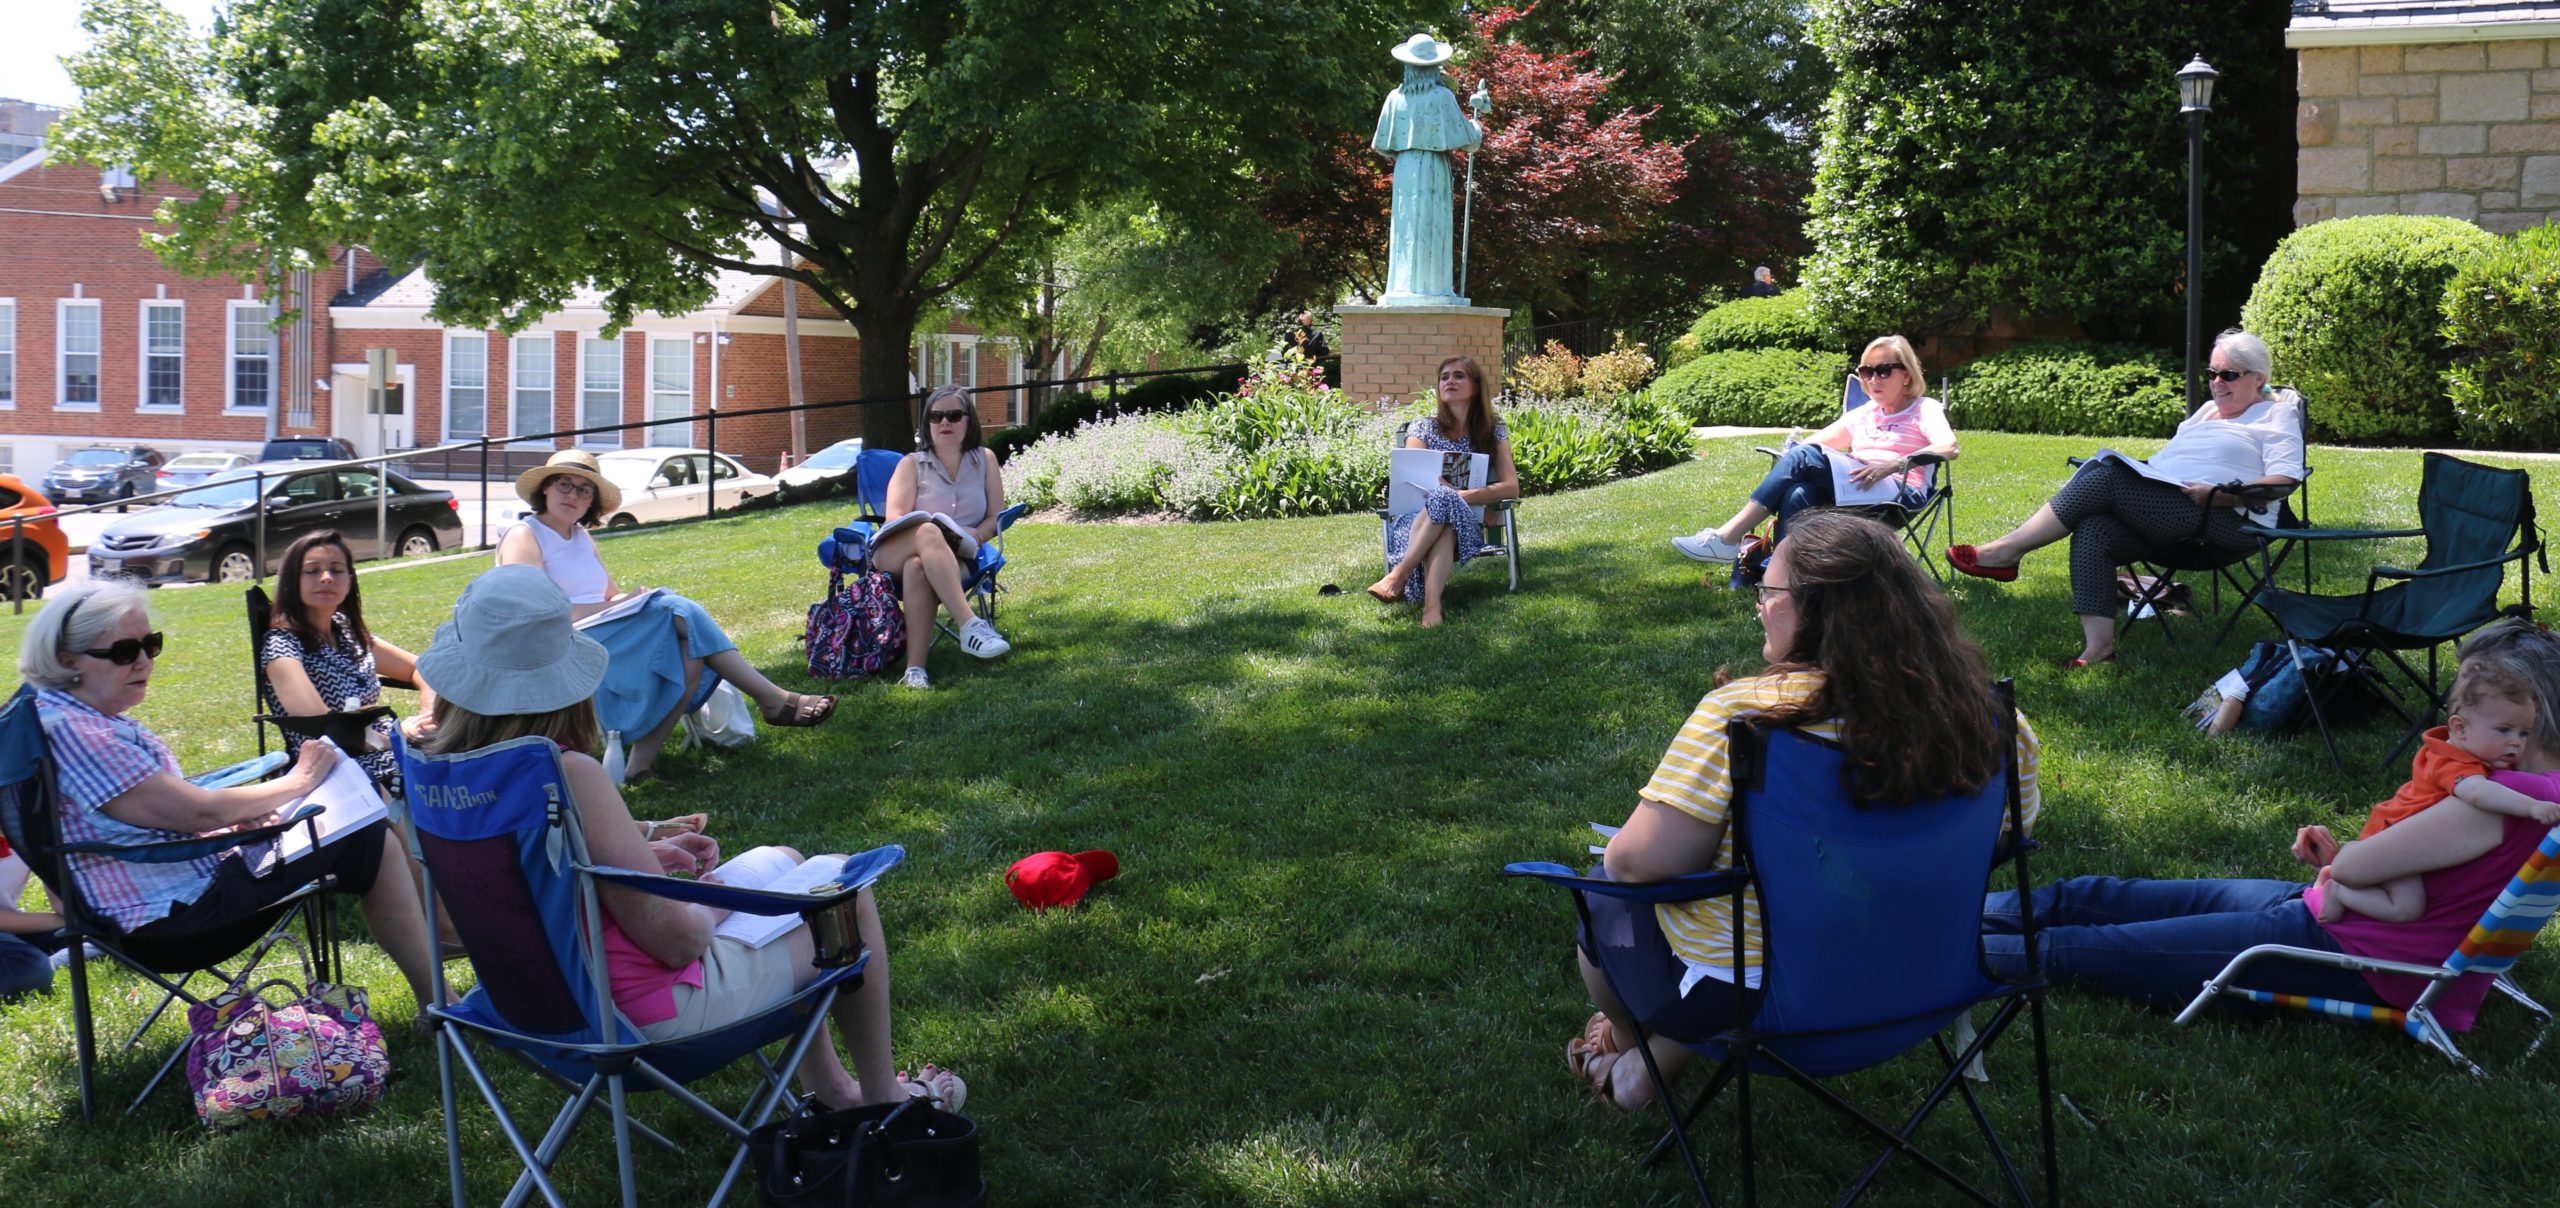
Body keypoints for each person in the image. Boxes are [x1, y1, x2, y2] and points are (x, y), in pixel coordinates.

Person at [414, 566, 963, 1111]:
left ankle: (834, 1090)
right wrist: (713, 899)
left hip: (525, 1012)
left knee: (783, 859)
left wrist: (628, 861)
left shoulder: (433, 775)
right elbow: (678, 942)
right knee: (843, 890)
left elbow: (479, 904)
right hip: (637, 1020)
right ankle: (886, 1099)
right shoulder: (566, 773)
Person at [1564, 512, 2042, 1111]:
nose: (1759, 603)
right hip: (1924, 980)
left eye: (1769, 588)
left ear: (1817, 610)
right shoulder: (1992, 721)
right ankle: (1649, 1064)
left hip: (1765, 1008)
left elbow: (1636, 866)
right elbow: (2004, 839)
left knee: (1603, 888)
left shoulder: (1746, 718)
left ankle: (1627, 1040)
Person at [1980, 618, 2560, 1029]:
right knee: (2095, 898)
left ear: (2532, 710)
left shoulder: (2503, 799)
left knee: (2085, 945)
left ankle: (1943, 953)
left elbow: (2357, 866)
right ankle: (1954, 918)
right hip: (2336, 915)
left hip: (2351, 953)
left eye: (2480, 699)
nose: (2459, 713)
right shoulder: (2523, 789)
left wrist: (2344, 858)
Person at [15, 579, 441, 1010]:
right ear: (67, 659)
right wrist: (299, 779)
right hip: (172, 921)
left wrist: (232, 823)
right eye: (124, 651)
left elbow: (143, 821)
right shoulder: (81, 733)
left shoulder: (58, 714)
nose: (144, 661)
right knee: (367, 837)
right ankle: (438, 998)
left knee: (360, 832)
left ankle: (439, 976)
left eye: (150, 645)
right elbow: (197, 813)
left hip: (162, 898)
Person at [1947, 328, 2304, 667]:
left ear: (2258, 378)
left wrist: (2223, 496)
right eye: (2212, 373)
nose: (2216, 383)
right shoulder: (2207, 412)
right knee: (2095, 527)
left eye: (2229, 375)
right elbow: (2169, 459)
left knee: (2108, 478)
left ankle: (2007, 552)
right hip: (2171, 510)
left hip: (2228, 522)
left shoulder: (2276, 413)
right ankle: (2098, 649)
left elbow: (2285, 480)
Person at [497, 449, 836, 779]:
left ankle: (639, 767)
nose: (573, 495)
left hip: (607, 630)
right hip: (560, 644)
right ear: (545, 488)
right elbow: (535, 611)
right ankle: (772, 699)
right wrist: (618, 605)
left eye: (584, 490)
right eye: (564, 485)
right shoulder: (525, 535)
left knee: (690, 652)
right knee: (681, 610)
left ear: (591, 502)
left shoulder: (581, 536)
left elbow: (609, 593)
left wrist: (634, 598)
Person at [1671, 335, 1954, 566]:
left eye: (1883, 370)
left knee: (1803, 459)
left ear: (1906, 376)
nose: (1873, 379)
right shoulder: (1865, 413)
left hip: (1900, 493)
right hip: (1856, 486)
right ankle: (1782, 574)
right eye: (1867, 372)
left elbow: (1949, 447)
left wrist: (1892, 465)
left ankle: (1728, 537)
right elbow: (1811, 446)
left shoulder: (1923, 408)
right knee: (1799, 491)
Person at [2318, 656, 2560, 923]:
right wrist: (2532, 806)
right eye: (2504, 730)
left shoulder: (2479, 756)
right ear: (2460, 728)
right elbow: (2477, 793)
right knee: (2405, 908)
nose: (2516, 742)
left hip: (2410, 839)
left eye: (2524, 733)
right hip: (2391, 832)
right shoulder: (2449, 760)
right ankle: (2338, 891)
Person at [259, 529, 436, 786]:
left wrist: (427, 712)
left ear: (349, 580)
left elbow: (422, 668)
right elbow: (328, 731)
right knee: (453, 771)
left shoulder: (344, 629)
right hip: (337, 767)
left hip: (383, 749)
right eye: (312, 571)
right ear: (291, 581)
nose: (326, 577)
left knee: (472, 754)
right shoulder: (281, 648)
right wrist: (401, 737)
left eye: (337, 570)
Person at [1364, 355, 1521, 627]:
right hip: (1415, 523)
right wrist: (1457, 498)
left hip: (1465, 523)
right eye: (1444, 377)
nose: (1450, 381)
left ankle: (1398, 575)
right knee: (1444, 516)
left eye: (1459, 376)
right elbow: (1412, 479)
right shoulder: (1423, 428)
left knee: (1446, 504)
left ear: (1476, 386)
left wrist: (1463, 498)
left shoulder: (1492, 430)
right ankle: (1432, 608)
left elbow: (1511, 486)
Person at [876, 385, 1015, 690]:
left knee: (918, 568)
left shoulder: (985, 460)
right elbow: (894, 520)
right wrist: (930, 532)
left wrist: (977, 533)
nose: (944, 423)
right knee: (928, 531)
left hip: (957, 556)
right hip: (895, 550)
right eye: (936, 416)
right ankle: (970, 626)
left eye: (953, 415)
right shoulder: (911, 464)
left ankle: (915, 671)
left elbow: (996, 516)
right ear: (927, 423)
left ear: (969, 421)